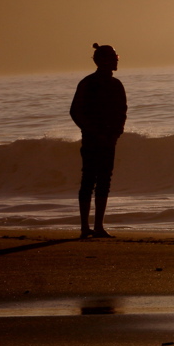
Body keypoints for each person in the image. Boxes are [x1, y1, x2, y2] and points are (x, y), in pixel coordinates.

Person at [70, 43, 127, 239]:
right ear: (102, 61)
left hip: (109, 140)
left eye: (115, 58)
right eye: (112, 58)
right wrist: (93, 132)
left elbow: (122, 112)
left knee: (103, 182)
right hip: (92, 141)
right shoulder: (88, 83)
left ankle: (98, 226)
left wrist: (116, 132)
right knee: (89, 181)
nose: (115, 61)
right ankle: (85, 228)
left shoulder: (116, 85)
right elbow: (75, 112)